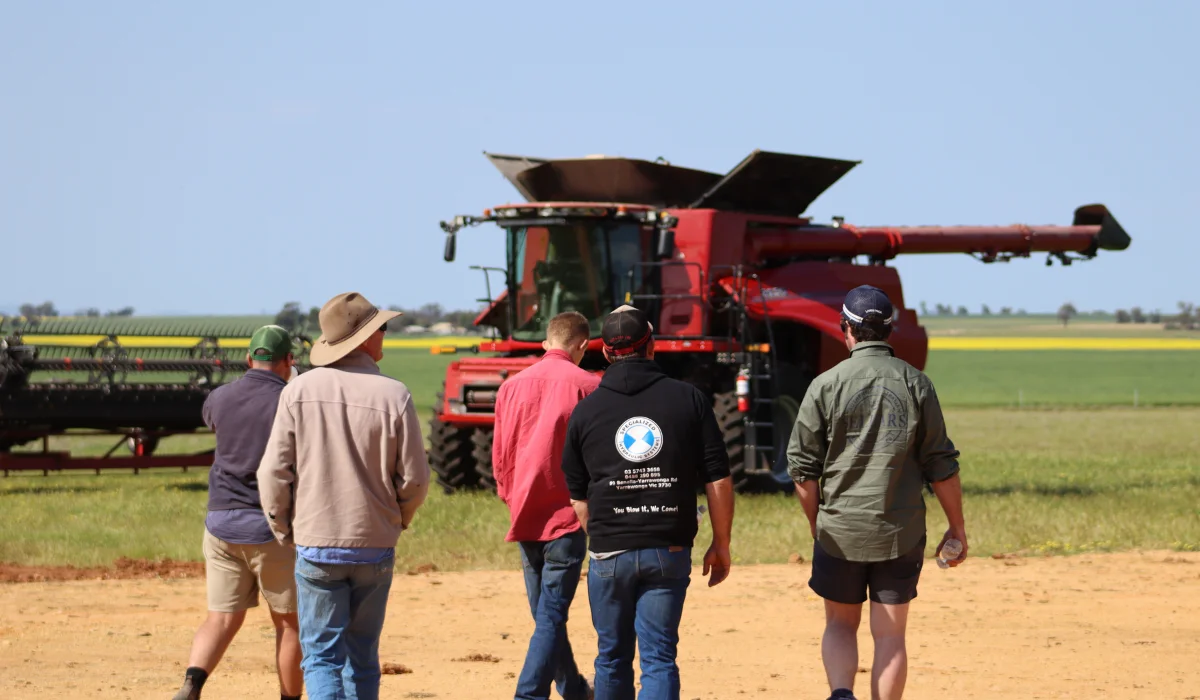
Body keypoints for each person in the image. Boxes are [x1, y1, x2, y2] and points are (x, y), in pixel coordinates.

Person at [786, 285, 967, 700]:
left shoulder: (824, 385)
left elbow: (801, 470)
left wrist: (818, 524)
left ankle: (841, 694)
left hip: (839, 530)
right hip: (899, 531)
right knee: (890, 635)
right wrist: (956, 527)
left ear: (845, 328)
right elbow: (943, 466)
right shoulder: (917, 383)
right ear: (890, 330)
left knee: (839, 624)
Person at [257, 292, 431, 700]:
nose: (384, 335)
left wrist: (284, 528)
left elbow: (272, 472)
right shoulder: (395, 395)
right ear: (365, 338)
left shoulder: (298, 391)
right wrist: (398, 519)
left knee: (321, 658)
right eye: (380, 328)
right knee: (363, 656)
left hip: (316, 542)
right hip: (375, 544)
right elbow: (416, 480)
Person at [560, 305, 735, 700]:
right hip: (668, 548)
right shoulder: (688, 398)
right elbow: (718, 479)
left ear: (605, 353)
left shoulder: (585, 411)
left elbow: (578, 496)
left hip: (609, 554)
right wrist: (721, 543)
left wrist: (606, 533)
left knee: (611, 659)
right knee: (658, 659)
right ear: (652, 346)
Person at [172, 325, 302, 700]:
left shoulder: (219, 397)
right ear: (288, 361)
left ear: (248, 358)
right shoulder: (291, 399)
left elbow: (214, 422)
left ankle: (191, 685)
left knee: (222, 617)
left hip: (221, 524)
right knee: (289, 624)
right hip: (271, 527)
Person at [493, 311, 600, 700]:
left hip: (524, 512)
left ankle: (573, 688)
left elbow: (501, 456)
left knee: (545, 616)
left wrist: (511, 496)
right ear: (583, 346)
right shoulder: (589, 385)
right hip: (568, 516)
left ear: (545, 342)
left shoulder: (511, 386)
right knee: (550, 616)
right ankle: (529, 694)